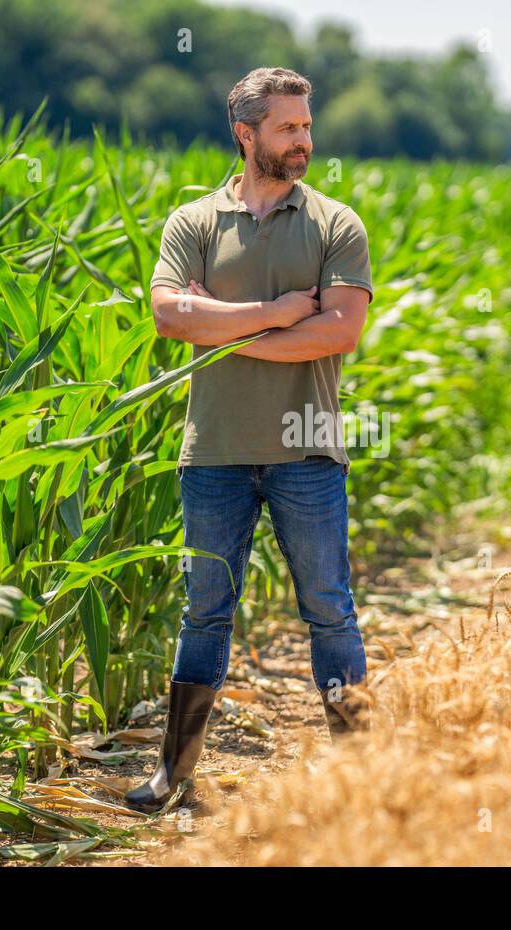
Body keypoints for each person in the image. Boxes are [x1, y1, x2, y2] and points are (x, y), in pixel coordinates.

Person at [122, 67, 375, 814]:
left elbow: (339, 332)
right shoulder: (194, 223)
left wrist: (225, 329)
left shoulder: (336, 224)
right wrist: (275, 313)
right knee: (204, 610)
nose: (304, 140)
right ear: (246, 133)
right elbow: (171, 318)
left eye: (306, 126)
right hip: (215, 452)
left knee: (329, 607)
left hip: (310, 451)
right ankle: (174, 774)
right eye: (288, 128)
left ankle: (361, 774)